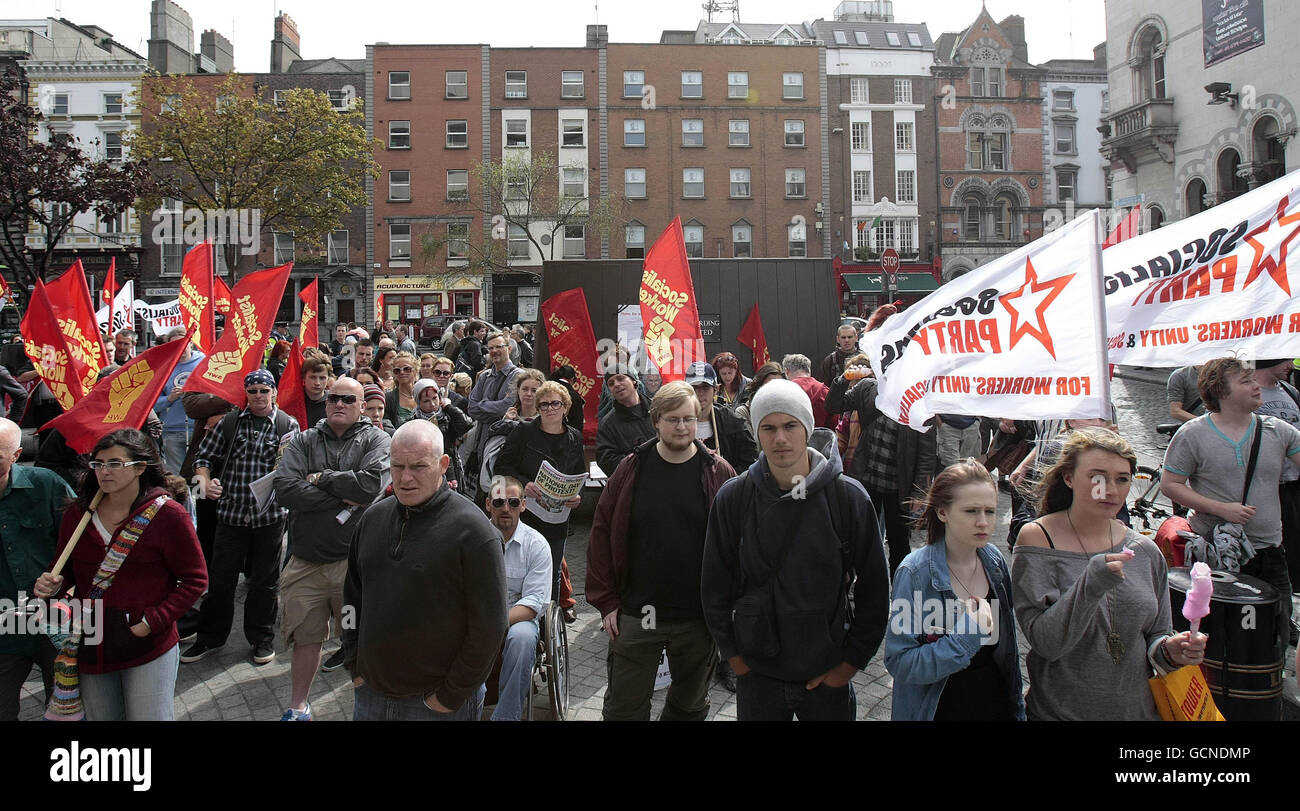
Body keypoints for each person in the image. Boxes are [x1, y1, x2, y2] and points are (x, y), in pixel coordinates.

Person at [701, 380, 889, 721]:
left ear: (807, 427)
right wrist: (734, 657)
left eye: (790, 425)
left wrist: (848, 665)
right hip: (757, 677)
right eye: (768, 428)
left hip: (827, 676)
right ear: (757, 434)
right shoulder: (734, 498)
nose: (780, 438)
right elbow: (714, 583)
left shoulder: (848, 499)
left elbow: (875, 587)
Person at [1014, 428, 1206, 720]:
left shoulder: (1145, 550)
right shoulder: (1038, 539)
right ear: (1068, 478)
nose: (1111, 491)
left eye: (1122, 479)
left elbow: (1157, 634)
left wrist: (1171, 650)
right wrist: (1091, 584)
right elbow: (1047, 644)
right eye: (1097, 477)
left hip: (1137, 713)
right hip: (1060, 713)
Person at [33, 429, 206, 721]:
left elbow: (195, 580)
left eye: (115, 463)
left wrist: (153, 620)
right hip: (93, 643)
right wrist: (52, 585)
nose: (104, 471)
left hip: (148, 644)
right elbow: (66, 573)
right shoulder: (78, 515)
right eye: (98, 464)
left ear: (140, 468)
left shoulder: (169, 515)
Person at [587, 381, 735, 720]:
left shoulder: (719, 471)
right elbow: (601, 532)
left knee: (688, 708)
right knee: (624, 708)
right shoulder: (631, 468)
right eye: (672, 419)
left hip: (698, 620)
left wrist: (728, 607)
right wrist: (606, 602)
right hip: (638, 615)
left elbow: (736, 543)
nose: (682, 427)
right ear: (656, 421)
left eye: (688, 419)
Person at [343, 420, 506, 721]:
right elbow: (351, 601)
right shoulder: (371, 520)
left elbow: (490, 627)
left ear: (443, 464)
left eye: (418, 467)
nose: (405, 478)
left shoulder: (474, 532)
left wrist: (450, 695)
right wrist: (353, 659)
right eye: (397, 466)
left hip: (436, 704)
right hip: (370, 693)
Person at [272, 378, 390, 720]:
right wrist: (341, 491)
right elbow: (284, 489)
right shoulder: (303, 440)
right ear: (326, 403)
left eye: (347, 399)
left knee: (356, 639)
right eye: (333, 398)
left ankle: (367, 708)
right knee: (305, 638)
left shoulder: (376, 439)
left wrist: (319, 478)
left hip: (352, 567)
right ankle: (298, 707)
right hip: (305, 564)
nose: (339, 404)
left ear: (361, 406)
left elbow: (369, 486)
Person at [1162, 357, 1300, 644]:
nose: (1256, 386)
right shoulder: (1193, 434)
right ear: (1220, 391)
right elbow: (1170, 485)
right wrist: (1220, 509)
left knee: (1278, 633)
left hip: (1270, 551)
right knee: (1222, 636)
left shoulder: (1277, 430)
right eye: (1245, 381)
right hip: (1216, 554)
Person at [885, 461, 1025, 721]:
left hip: (994, 704)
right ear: (943, 512)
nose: (983, 522)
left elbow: (1008, 652)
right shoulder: (915, 573)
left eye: (990, 511)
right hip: (938, 709)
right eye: (971, 511)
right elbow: (900, 663)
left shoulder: (994, 562)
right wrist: (967, 636)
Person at [182, 370, 300, 666]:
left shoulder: (288, 425)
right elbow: (203, 458)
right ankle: (209, 638)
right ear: (245, 393)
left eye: (264, 390)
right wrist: (205, 482)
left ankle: (261, 638)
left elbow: (291, 468)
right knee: (221, 581)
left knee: (265, 583)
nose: (259, 396)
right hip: (231, 515)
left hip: (270, 518)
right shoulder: (230, 422)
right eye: (253, 391)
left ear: (273, 391)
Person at [826, 367, 936, 575]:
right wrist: (844, 378)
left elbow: (927, 453)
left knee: (899, 542)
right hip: (867, 479)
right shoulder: (868, 388)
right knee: (863, 538)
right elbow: (832, 405)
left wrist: (921, 489)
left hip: (899, 485)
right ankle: (866, 584)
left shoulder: (920, 399)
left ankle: (901, 586)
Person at [0, 417, 75, 721]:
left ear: (17, 456)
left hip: (56, 615)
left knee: (65, 706)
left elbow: (82, 544)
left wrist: (69, 589)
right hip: (4, 622)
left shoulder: (47, 485)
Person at [495, 380, 585, 608]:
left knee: (553, 570)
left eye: (555, 403)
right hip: (526, 513)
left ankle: (548, 619)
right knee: (520, 567)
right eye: (543, 405)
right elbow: (502, 466)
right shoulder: (524, 431)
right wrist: (525, 485)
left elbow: (578, 473)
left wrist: (576, 496)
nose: (550, 409)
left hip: (557, 519)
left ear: (565, 406)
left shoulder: (575, 437)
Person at [485, 475, 551, 721]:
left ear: (523, 504)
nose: (506, 508)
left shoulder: (537, 545)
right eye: (499, 501)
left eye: (513, 502)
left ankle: (506, 716)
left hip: (518, 617)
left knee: (522, 638)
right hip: (478, 615)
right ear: (488, 503)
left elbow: (534, 604)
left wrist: (495, 623)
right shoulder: (470, 539)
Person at [466, 332, 520, 494]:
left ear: (509, 348)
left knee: (503, 490)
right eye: (491, 348)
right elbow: (471, 408)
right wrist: (494, 409)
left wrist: (482, 404)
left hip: (504, 443)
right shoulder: (484, 377)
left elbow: (508, 406)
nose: (495, 351)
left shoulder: (518, 376)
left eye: (499, 347)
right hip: (482, 442)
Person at [685, 360, 757, 472]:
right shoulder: (677, 423)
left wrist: (727, 479)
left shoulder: (731, 422)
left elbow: (749, 461)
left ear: (716, 390)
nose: (700, 393)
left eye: (705, 387)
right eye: (694, 388)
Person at [152, 327, 205, 476]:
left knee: (199, 474)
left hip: (198, 428)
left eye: (184, 344)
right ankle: (181, 500)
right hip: (172, 430)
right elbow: (152, 404)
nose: (181, 349)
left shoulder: (203, 362)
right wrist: (170, 398)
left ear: (191, 344)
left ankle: (198, 499)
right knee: (177, 475)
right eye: (175, 346)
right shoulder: (164, 367)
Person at [412, 380, 473, 490]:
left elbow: (466, 425)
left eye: (435, 398)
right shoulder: (415, 421)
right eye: (426, 401)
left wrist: (449, 407)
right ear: (418, 403)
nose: (432, 404)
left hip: (451, 465)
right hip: (427, 467)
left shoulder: (447, 416)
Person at [595, 365, 654, 474]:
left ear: (634, 381)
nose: (616, 384)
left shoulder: (658, 410)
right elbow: (607, 461)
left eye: (621, 378)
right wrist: (642, 461)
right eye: (611, 383)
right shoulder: (607, 425)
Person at [732, 361, 785, 432]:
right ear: (759, 387)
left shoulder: (790, 411)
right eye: (769, 386)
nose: (774, 390)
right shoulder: (744, 412)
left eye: (778, 386)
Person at [782, 354, 830, 428]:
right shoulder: (825, 392)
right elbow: (835, 425)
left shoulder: (782, 392)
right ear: (809, 370)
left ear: (787, 371)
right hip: (822, 438)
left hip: (790, 438)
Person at [384, 351, 419, 427]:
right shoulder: (388, 398)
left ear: (415, 370)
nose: (402, 372)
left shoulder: (424, 394)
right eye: (397, 370)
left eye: (407, 369)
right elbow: (386, 425)